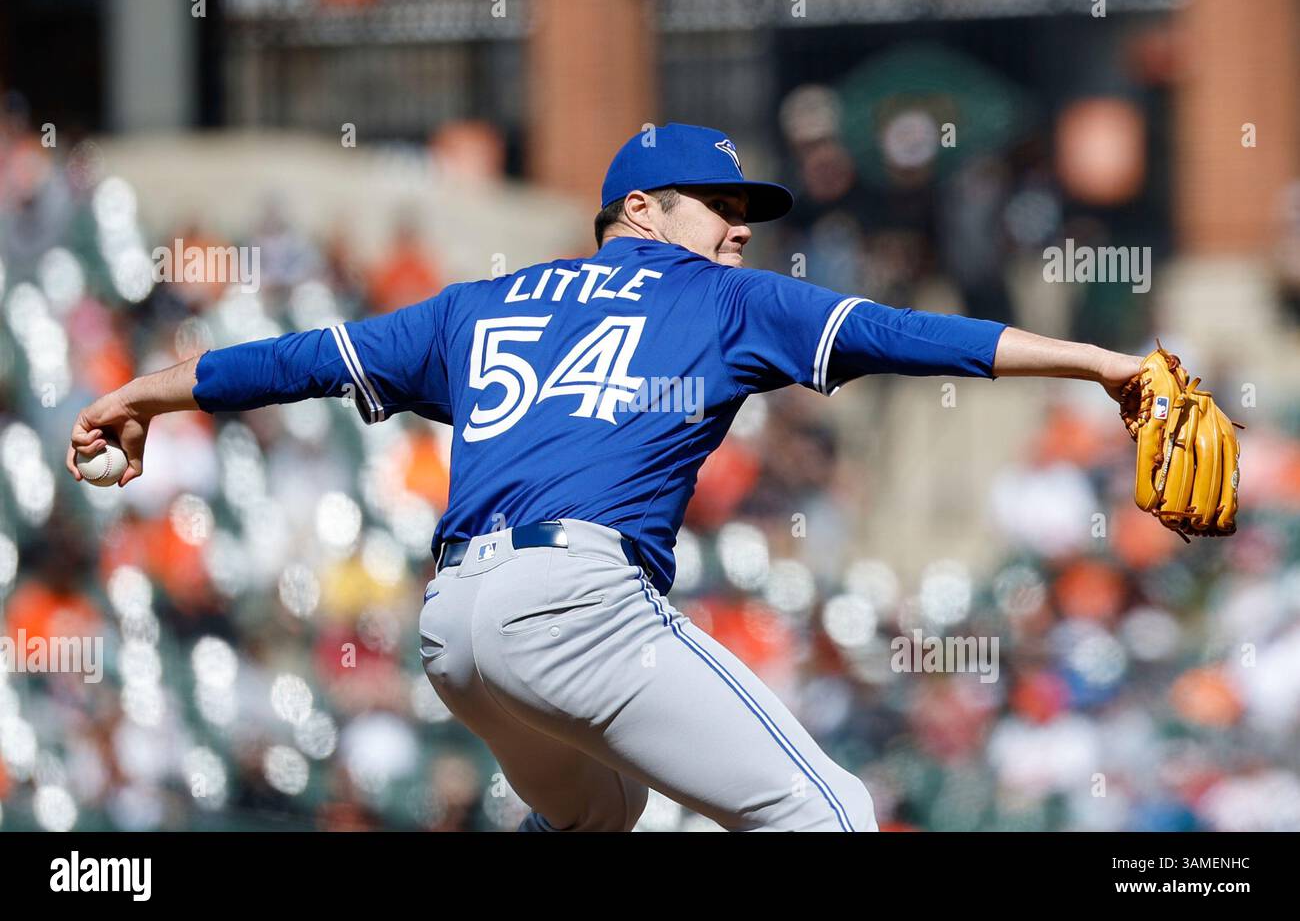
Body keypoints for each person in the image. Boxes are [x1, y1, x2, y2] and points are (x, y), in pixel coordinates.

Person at [67, 122, 1142, 832]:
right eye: (712, 201)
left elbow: (307, 357)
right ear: (637, 210)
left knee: (597, 817)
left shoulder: (477, 306)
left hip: (456, 630)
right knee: (834, 815)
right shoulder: (726, 300)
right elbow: (910, 333)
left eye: (745, 208)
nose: (737, 224)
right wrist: (1096, 361)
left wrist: (145, 392)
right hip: (575, 604)